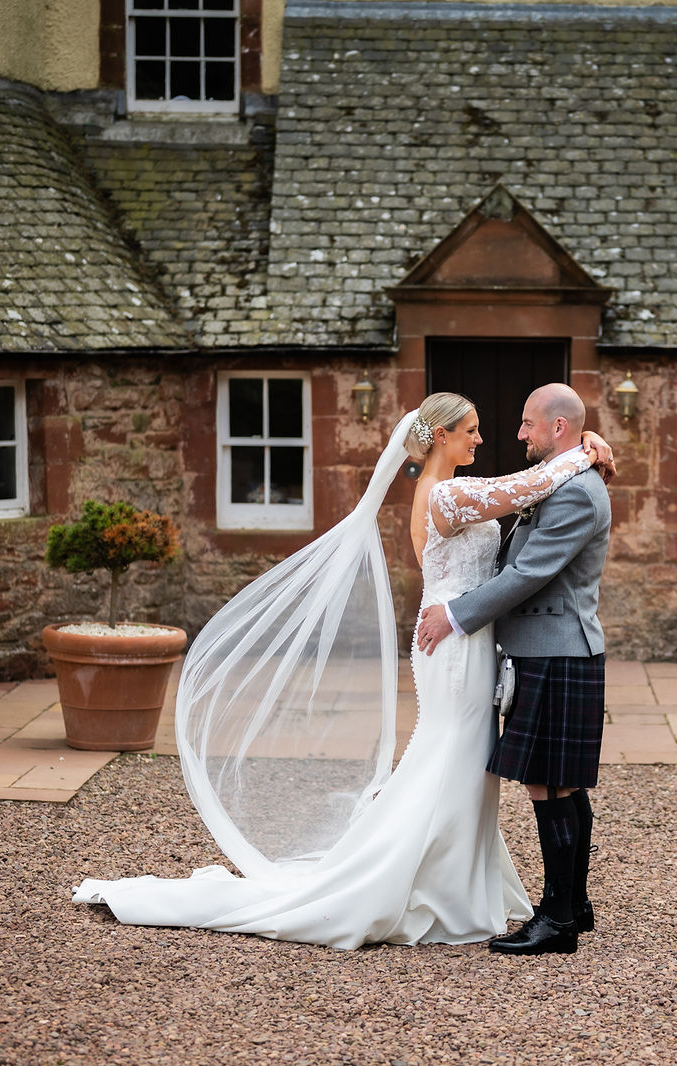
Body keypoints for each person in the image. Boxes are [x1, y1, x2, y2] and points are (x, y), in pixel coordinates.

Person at [71, 392, 612, 950]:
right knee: (454, 753)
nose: (487, 438)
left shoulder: (467, 489)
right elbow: (523, 497)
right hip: (452, 638)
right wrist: (583, 451)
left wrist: (581, 450)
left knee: (471, 760)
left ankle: (480, 887)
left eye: (512, 426)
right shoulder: (447, 495)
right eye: (471, 430)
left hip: (470, 638)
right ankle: (419, 882)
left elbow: (524, 499)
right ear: (442, 437)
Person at [416, 382, 613, 957]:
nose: (517, 433)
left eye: (528, 423)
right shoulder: (563, 479)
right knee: (558, 781)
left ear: (558, 427)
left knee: (547, 782)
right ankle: (572, 906)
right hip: (547, 648)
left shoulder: (575, 493)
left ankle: (556, 919)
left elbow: (528, 573)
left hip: (557, 649)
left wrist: (455, 614)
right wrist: (587, 448)